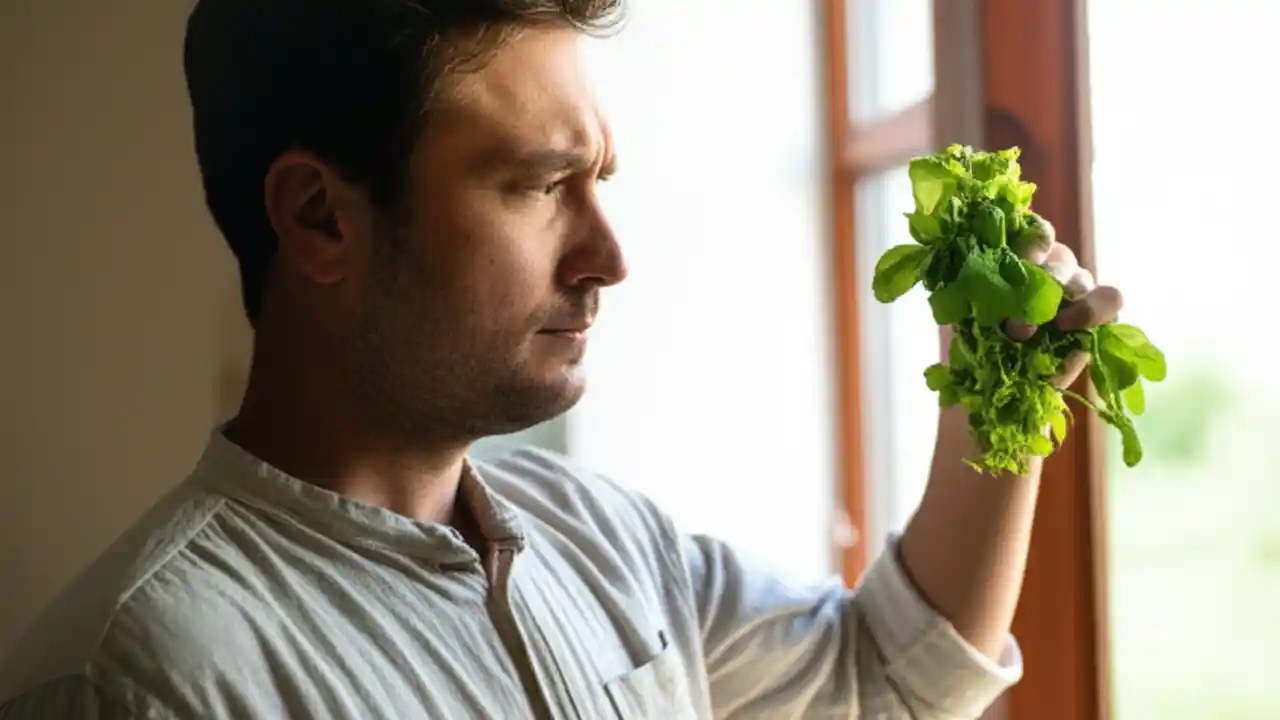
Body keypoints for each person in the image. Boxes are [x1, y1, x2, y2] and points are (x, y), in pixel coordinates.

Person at [0, 1, 1123, 718]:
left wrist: (994, 400)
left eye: (599, 181)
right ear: (319, 218)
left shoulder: (606, 537)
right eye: (540, 186)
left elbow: (879, 681)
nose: (608, 257)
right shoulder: (141, 677)